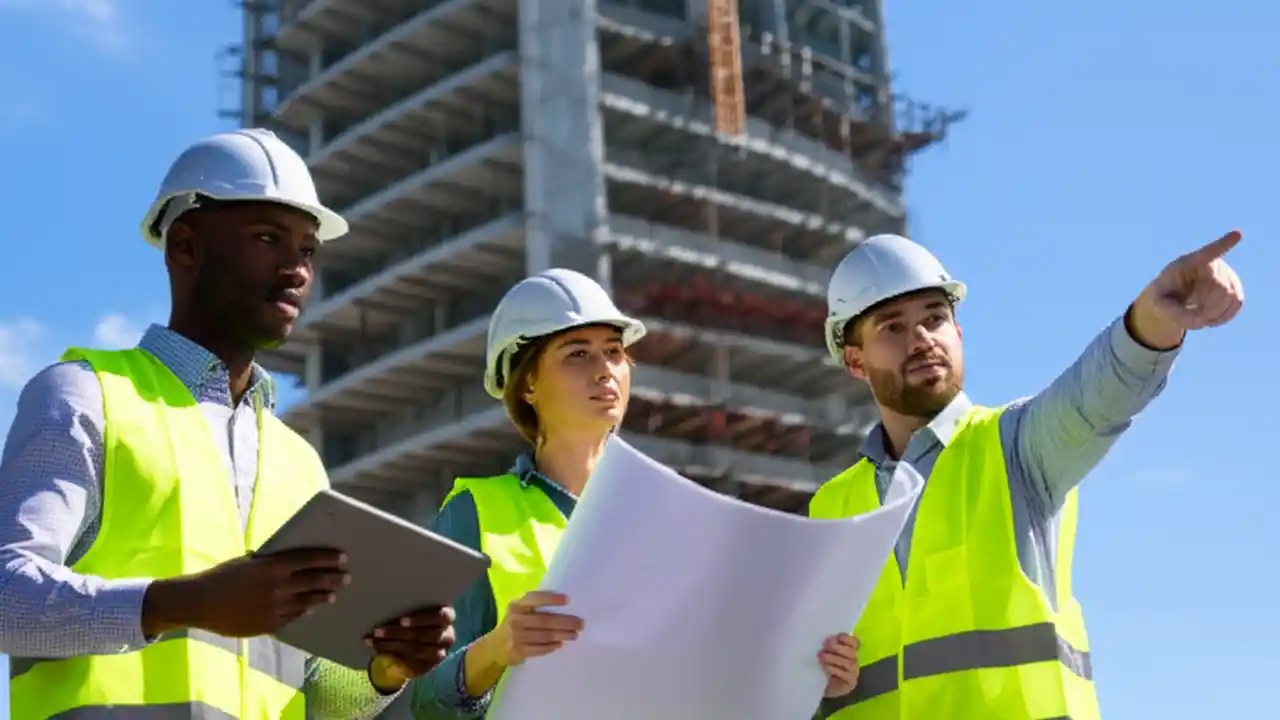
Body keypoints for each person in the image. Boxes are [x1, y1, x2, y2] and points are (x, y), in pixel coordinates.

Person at [0, 128, 456, 720]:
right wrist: (177, 604)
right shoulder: (84, 396)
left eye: (308, 250)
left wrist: (384, 670)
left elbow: (314, 695)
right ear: (184, 247)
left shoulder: (300, 464)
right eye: (268, 238)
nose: (296, 268)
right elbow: (8, 599)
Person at [809, 231, 1244, 719]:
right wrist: (821, 688)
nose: (922, 339)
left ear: (959, 330)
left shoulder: (1016, 447)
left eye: (935, 318)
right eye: (893, 327)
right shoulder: (829, 510)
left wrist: (1155, 318)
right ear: (854, 359)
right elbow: (800, 679)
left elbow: (1096, 397)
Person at [410, 268, 862, 717]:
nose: (605, 370)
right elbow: (426, 700)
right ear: (527, 382)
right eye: (577, 354)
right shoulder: (475, 513)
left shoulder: (672, 519)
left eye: (613, 352)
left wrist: (810, 677)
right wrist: (495, 650)